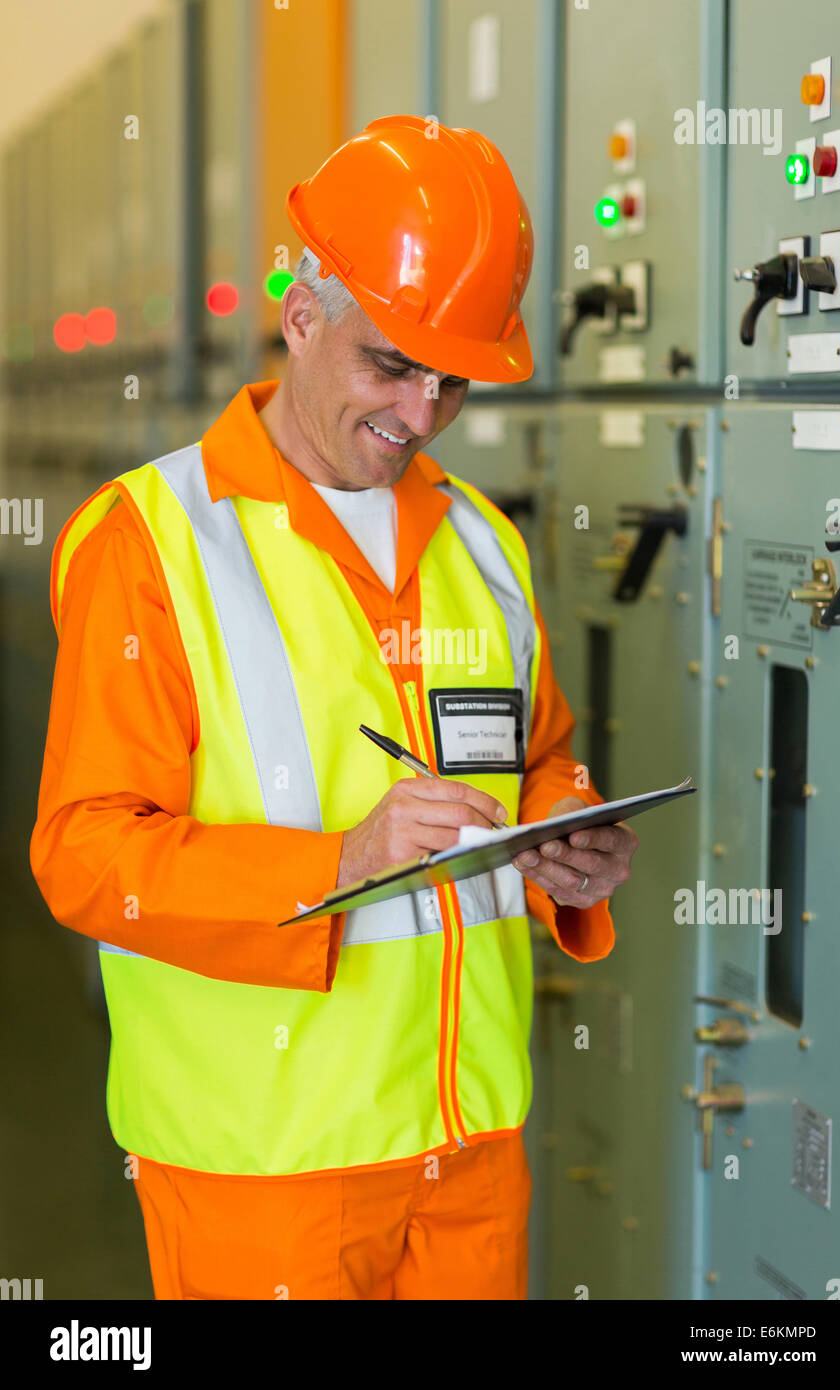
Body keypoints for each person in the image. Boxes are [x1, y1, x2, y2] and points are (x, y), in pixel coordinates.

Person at [31, 116, 638, 1300]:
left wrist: (566, 830)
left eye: (450, 382)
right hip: (269, 1170)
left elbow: (543, 754)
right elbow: (86, 855)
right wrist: (339, 864)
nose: (419, 415)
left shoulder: (480, 540)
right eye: (390, 365)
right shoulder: (154, 544)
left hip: (467, 1152)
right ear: (301, 317)